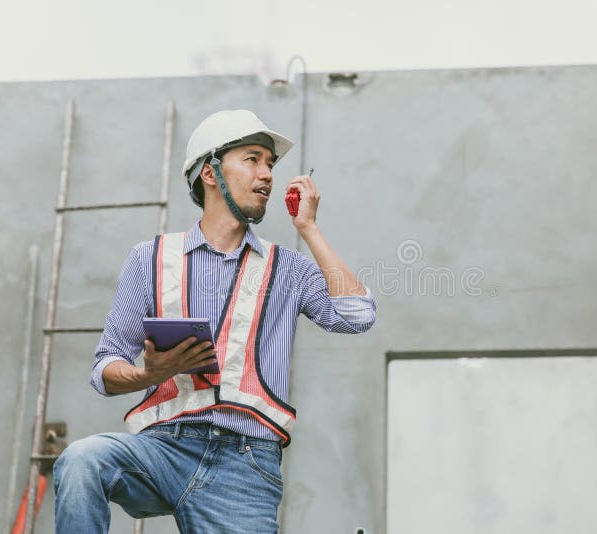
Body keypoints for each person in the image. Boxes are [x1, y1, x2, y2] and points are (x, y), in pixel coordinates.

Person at [53, 109, 377, 533]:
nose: (267, 175)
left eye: (270, 164)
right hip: (160, 449)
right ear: (210, 172)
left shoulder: (289, 268)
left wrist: (310, 229)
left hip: (244, 464)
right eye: (252, 159)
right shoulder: (149, 259)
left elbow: (357, 316)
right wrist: (147, 373)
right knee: (81, 461)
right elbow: (104, 369)